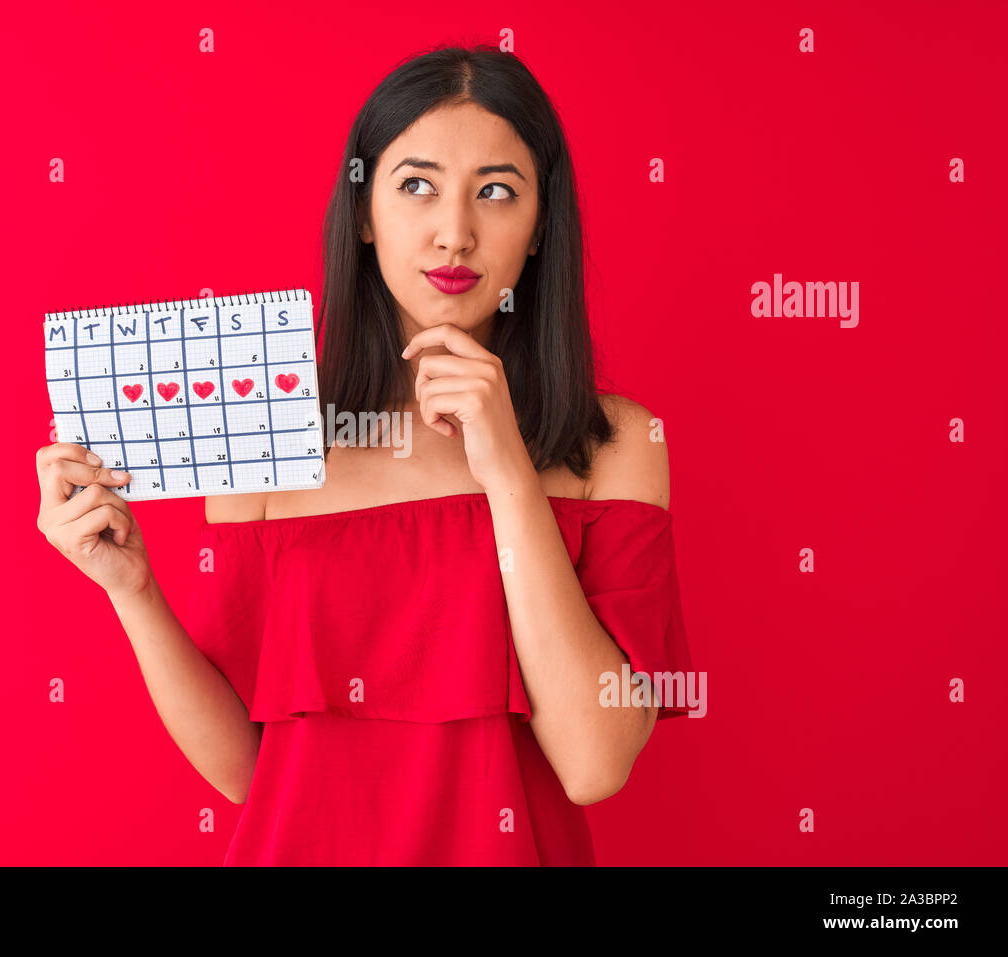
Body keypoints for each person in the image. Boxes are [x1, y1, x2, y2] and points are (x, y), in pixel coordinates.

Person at [34, 44, 695, 865]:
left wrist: (508, 474)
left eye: (496, 191)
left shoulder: (618, 444)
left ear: (539, 230)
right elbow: (251, 771)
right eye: (415, 185)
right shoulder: (269, 437)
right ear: (361, 213)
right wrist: (131, 589)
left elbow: (595, 762)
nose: (454, 232)